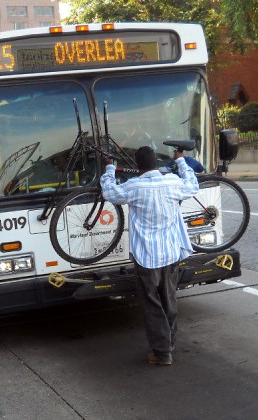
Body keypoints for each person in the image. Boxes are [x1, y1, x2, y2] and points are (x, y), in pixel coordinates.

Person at [100, 146, 199, 366]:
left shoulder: (134, 186)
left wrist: (109, 169)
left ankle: (162, 353)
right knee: (169, 299)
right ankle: (169, 343)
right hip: (171, 253)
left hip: (146, 257)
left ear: (138, 167)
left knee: (152, 304)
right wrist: (181, 161)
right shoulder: (172, 182)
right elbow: (193, 184)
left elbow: (108, 192)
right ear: (155, 163)